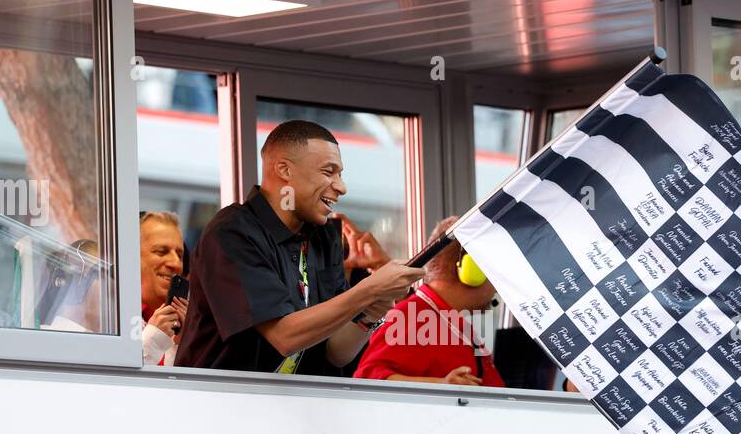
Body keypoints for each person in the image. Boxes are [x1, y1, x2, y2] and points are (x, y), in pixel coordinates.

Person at [175, 120, 432, 374]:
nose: (341, 187)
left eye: (340, 174)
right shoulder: (233, 231)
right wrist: (370, 289)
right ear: (285, 170)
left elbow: (334, 353)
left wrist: (368, 314)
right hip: (218, 407)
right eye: (328, 171)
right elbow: (284, 337)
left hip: (294, 408)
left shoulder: (324, 237)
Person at [354, 219, 505, 387]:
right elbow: (366, 378)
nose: (499, 286)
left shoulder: (445, 319)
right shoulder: (415, 317)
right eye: (494, 270)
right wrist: (442, 385)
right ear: (474, 269)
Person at [139, 210, 188, 366]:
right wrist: (153, 339)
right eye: (161, 252)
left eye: (180, 255)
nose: (176, 263)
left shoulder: (189, 325)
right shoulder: (108, 319)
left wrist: (180, 343)